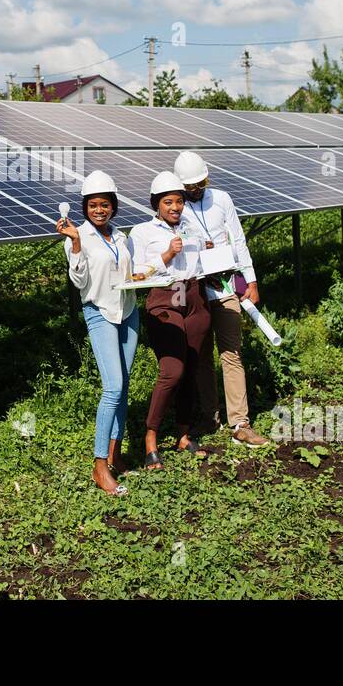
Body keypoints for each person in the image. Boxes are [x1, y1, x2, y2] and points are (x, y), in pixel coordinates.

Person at [173, 151, 270, 447]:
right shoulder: (175, 209)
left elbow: (238, 239)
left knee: (231, 353)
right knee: (201, 356)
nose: (195, 191)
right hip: (197, 292)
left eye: (200, 184)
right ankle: (208, 415)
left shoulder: (222, 199)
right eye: (189, 187)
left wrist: (250, 279)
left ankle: (240, 422)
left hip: (226, 286)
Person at [56, 170, 143, 495]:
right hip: (100, 313)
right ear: (85, 207)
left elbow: (126, 271)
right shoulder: (78, 237)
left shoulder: (120, 236)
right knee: (114, 386)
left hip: (129, 311)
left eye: (105, 204)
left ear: (113, 206)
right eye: (93, 205)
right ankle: (99, 466)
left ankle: (115, 455)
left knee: (125, 386)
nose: (99, 210)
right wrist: (76, 243)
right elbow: (78, 282)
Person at [129, 171, 214, 469]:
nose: (175, 207)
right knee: (172, 371)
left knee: (190, 367)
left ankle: (183, 434)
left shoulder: (192, 228)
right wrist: (165, 255)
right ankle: (150, 439)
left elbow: (206, 263)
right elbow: (136, 273)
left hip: (193, 295)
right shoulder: (141, 232)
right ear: (156, 204)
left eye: (179, 201)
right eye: (168, 202)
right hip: (165, 297)